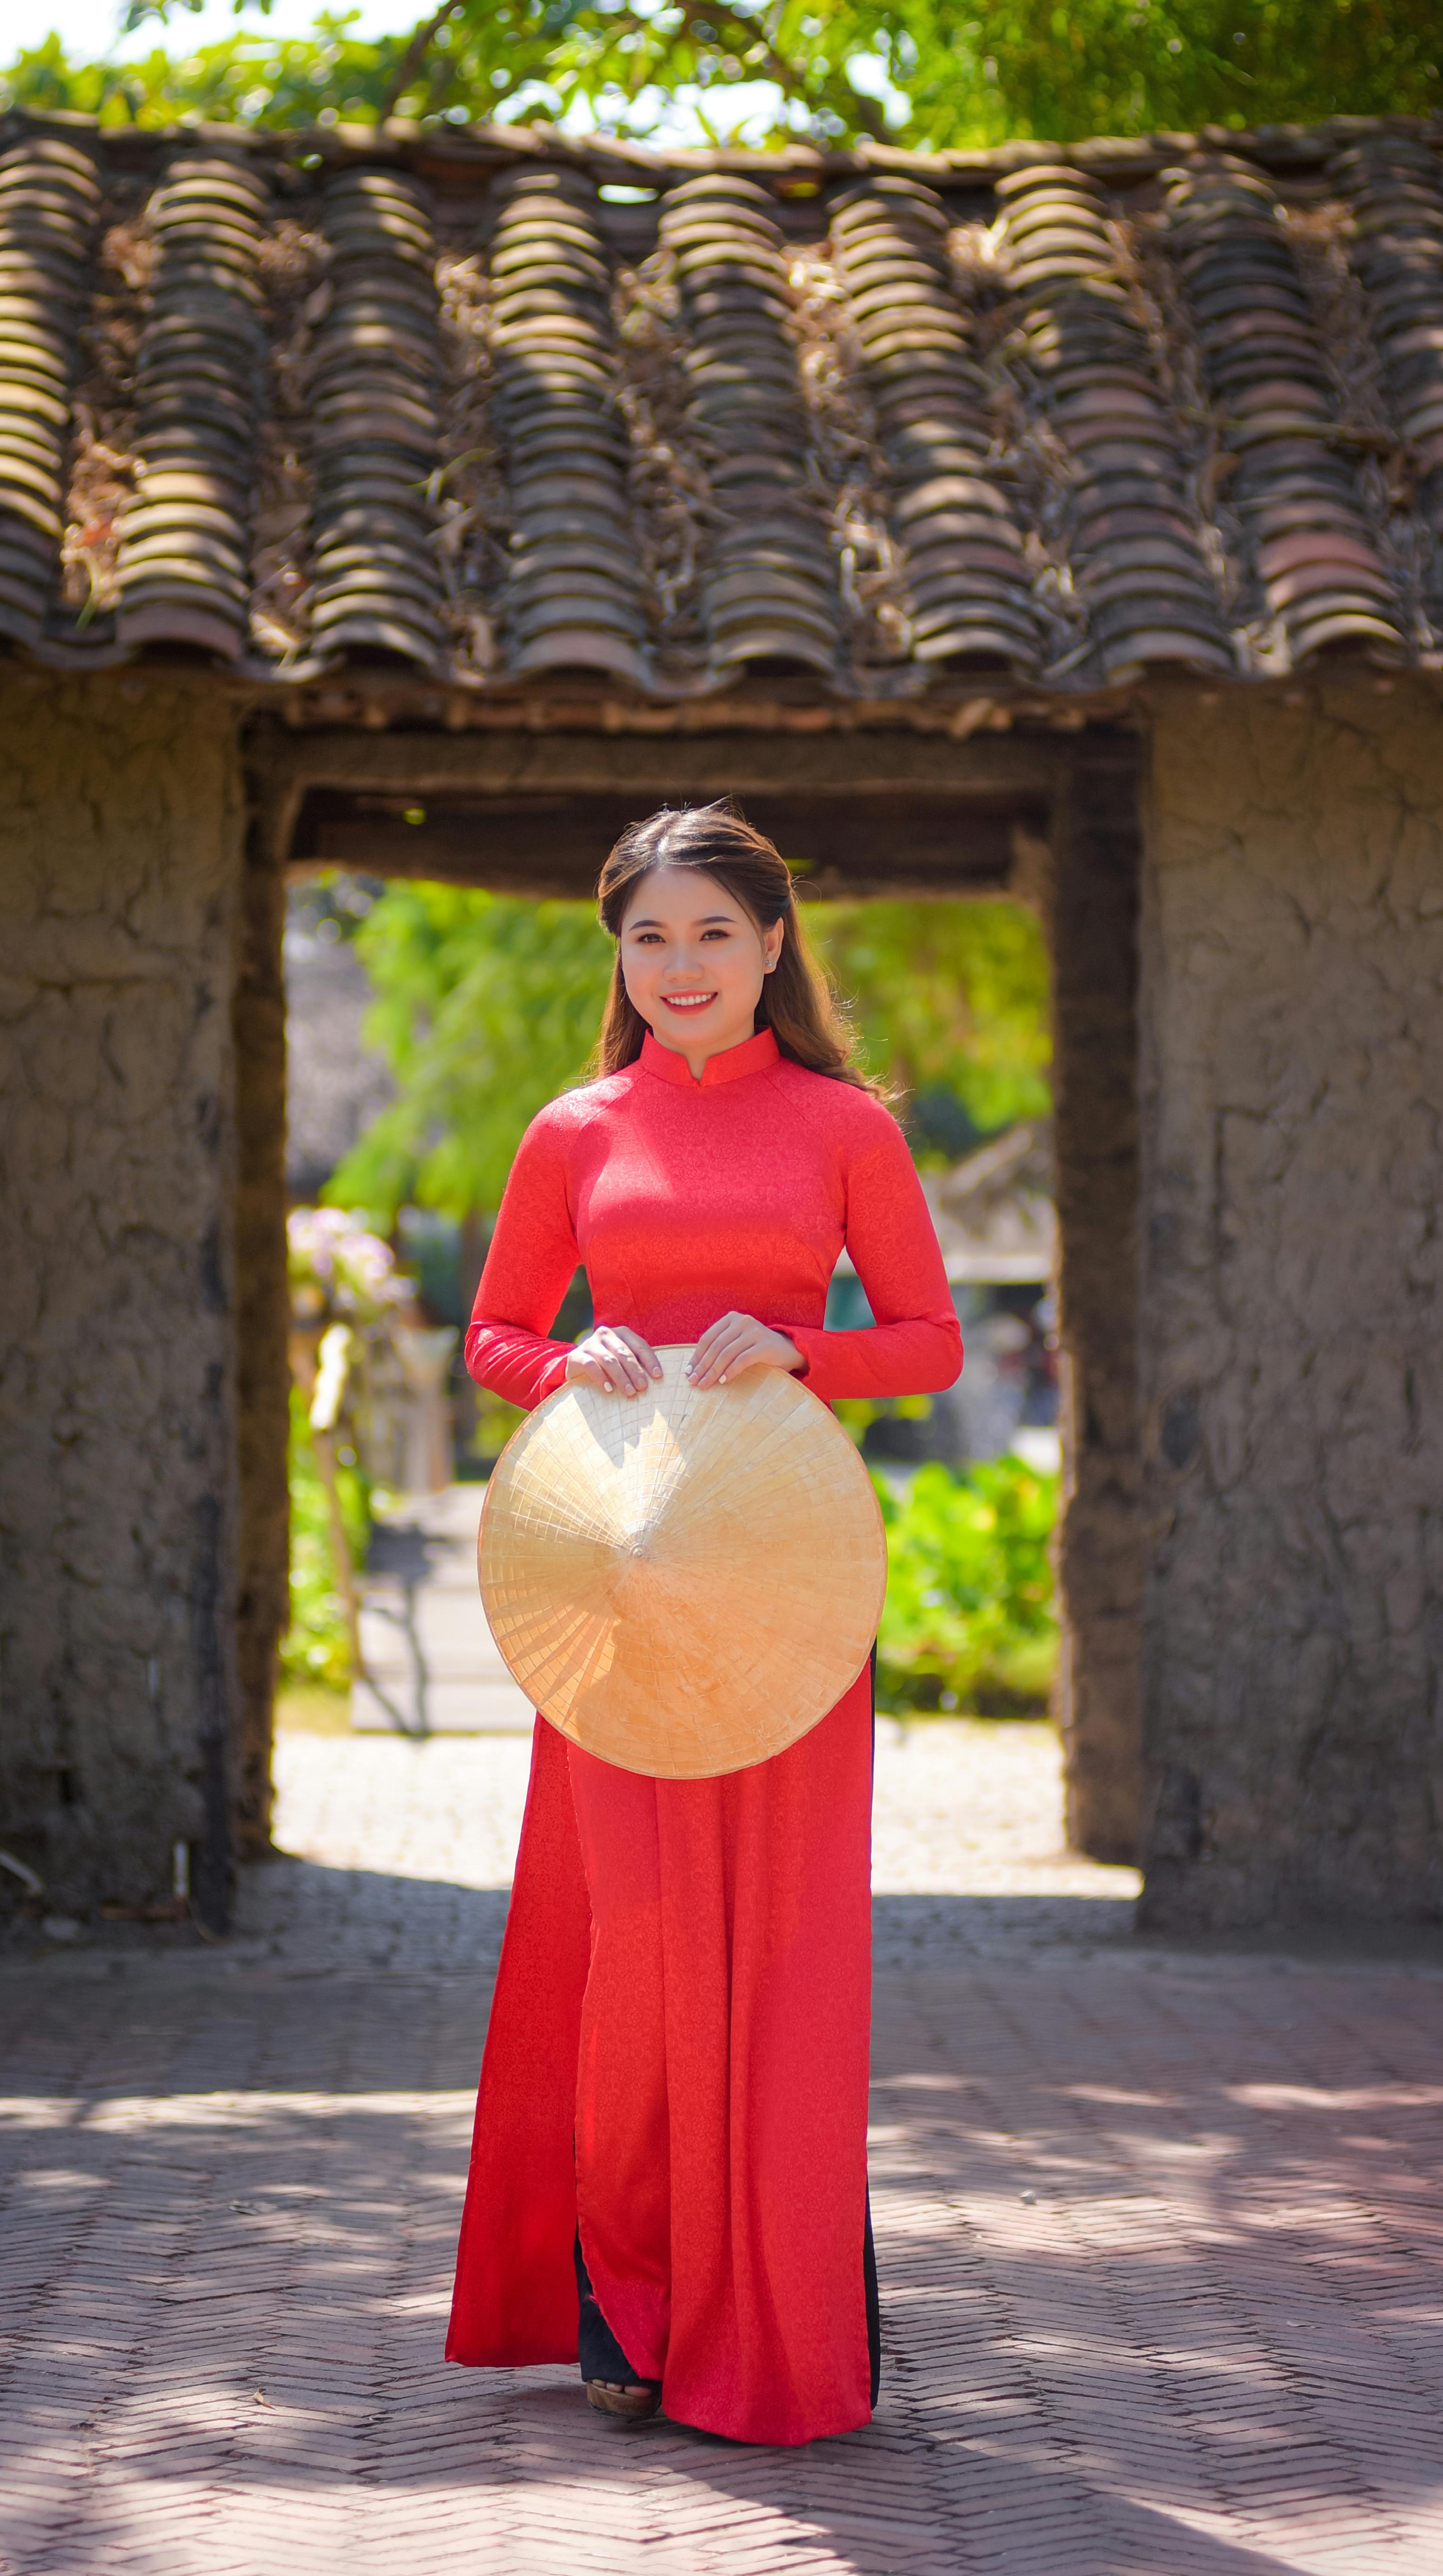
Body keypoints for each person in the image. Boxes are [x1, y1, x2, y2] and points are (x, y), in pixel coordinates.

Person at [444, 800, 962, 2446]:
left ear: (773, 945)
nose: (683, 966)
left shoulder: (843, 1129)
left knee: (789, 1954)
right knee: (641, 1951)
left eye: (714, 935)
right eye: (652, 937)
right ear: (619, 950)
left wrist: (812, 1352)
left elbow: (934, 1340)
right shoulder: (572, 1131)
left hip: (789, 1577)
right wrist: (559, 1366)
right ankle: (640, 2307)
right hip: (611, 1582)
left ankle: (787, 2314)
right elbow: (496, 1333)